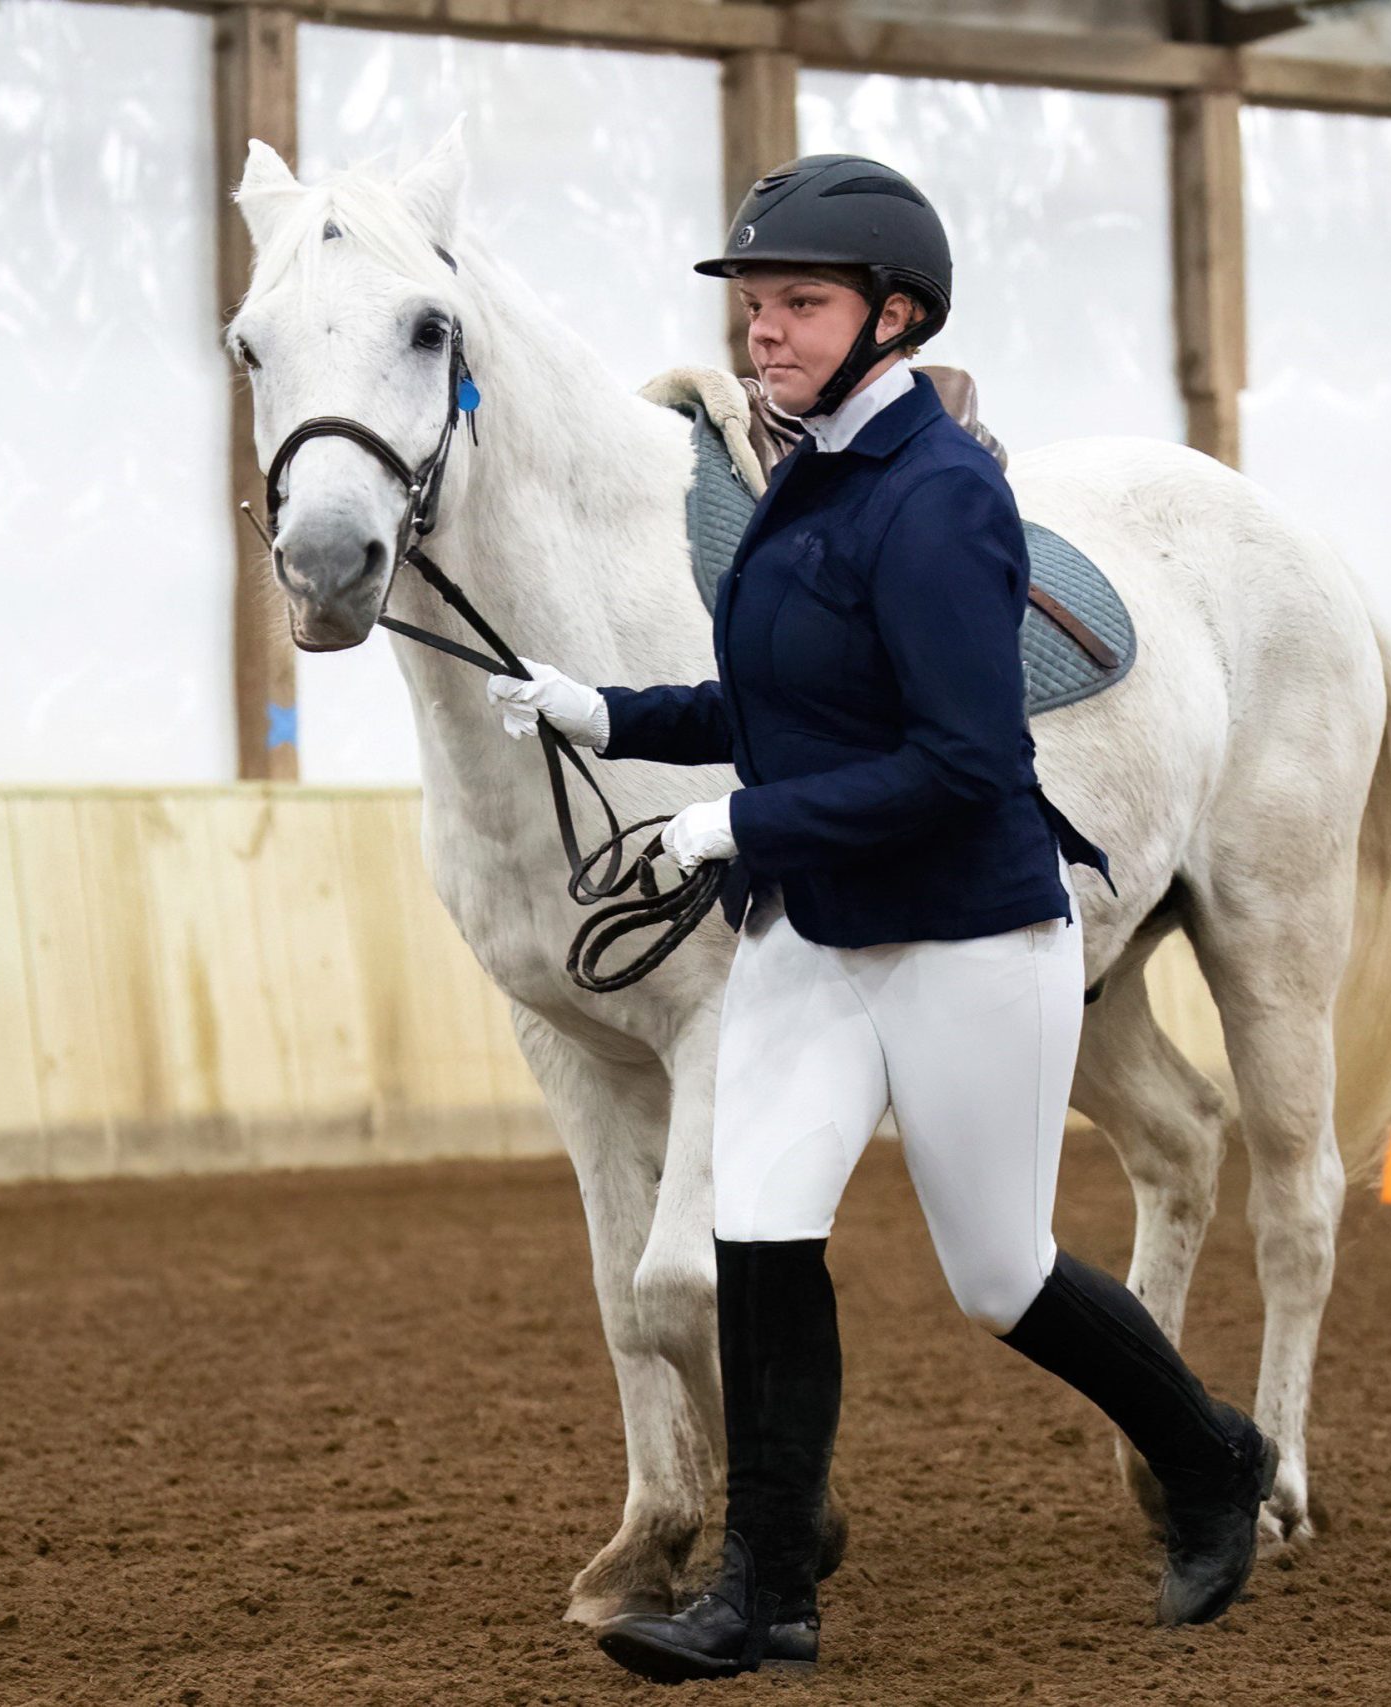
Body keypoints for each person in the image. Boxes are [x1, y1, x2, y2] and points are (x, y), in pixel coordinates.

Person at [486, 153, 1274, 1685]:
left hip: (966, 937)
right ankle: (767, 1589)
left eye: (799, 304)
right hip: (814, 936)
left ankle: (1208, 1453)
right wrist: (608, 711)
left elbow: (964, 762)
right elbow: (780, 695)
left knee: (1001, 1276)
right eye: (753, 306)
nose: (761, 333)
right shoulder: (815, 473)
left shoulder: (939, 499)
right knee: (760, 1236)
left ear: (895, 317)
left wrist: (732, 821)